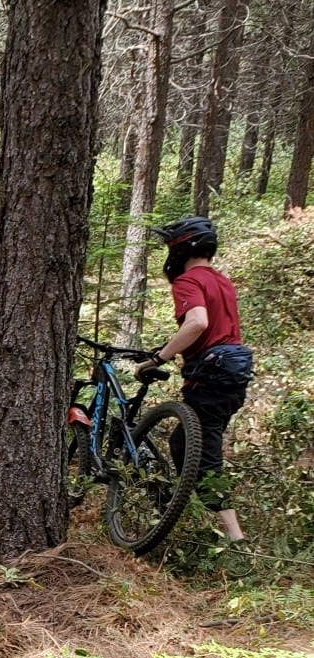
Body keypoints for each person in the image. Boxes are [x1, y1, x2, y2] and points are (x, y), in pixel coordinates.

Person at [137, 217, 253, 547]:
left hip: (213, 372)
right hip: (234, 369)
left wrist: (159, 359)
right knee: (187, 443)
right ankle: (186, 516)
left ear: (180, 248)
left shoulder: (188, 280)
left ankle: (234, 540)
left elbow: (198, 323)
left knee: (201, 452)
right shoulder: (222, 281)